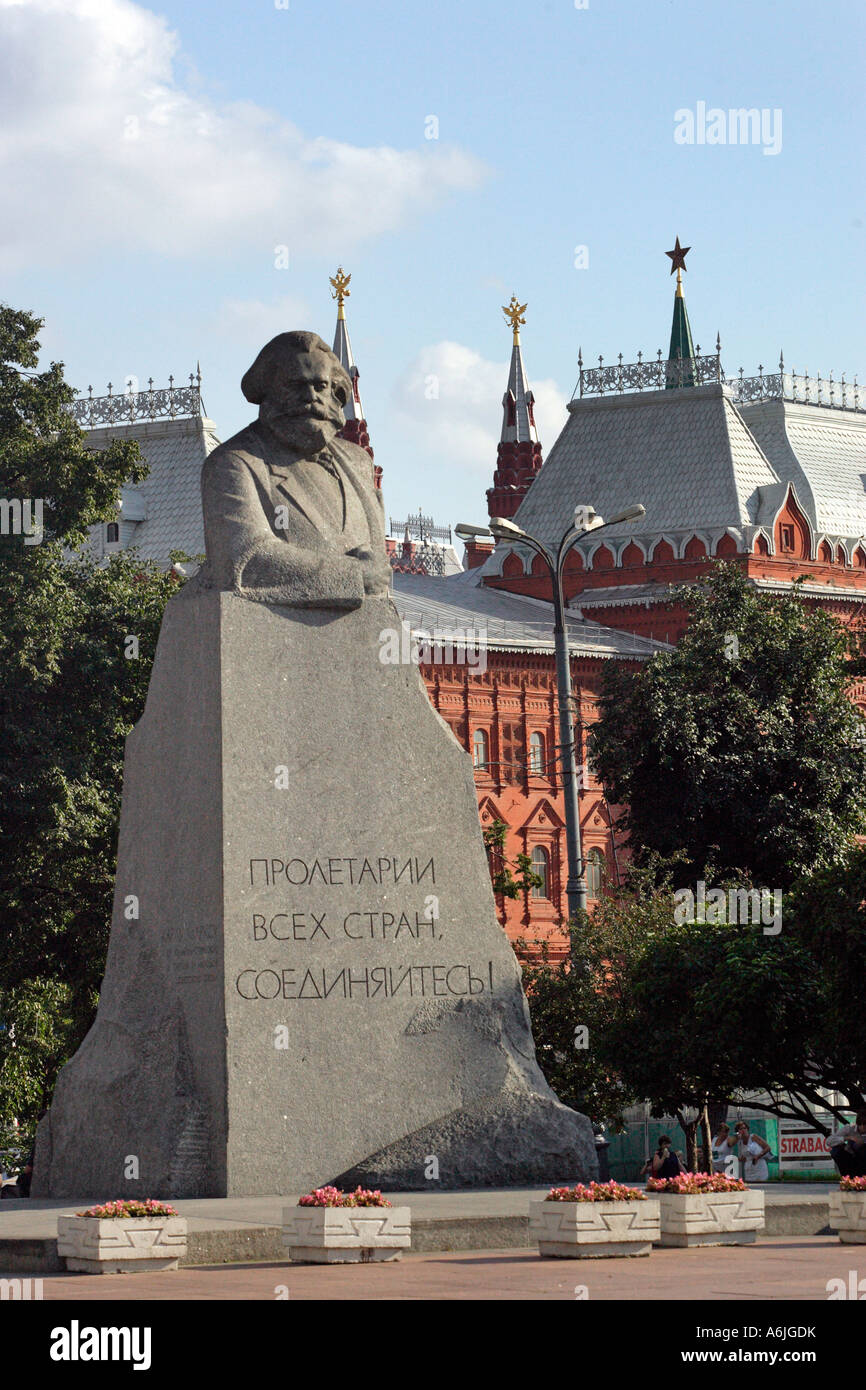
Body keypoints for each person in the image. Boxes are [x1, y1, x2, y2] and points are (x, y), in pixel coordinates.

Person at [199, 331, 391, 610]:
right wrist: (353, 576)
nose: (311, 396)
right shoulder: (234, 463)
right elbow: (245, 559)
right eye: (295, 385)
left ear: (336, 393)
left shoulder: (358, 463)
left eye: (320, 386)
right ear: (269, 390)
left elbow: (379, 566)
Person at [828, 1111, 866, 1177]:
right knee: (835, 1151)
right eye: (860, 1124)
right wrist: (849, 1138)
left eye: (865, 1124)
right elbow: (829, 1141)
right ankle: (847, 1177)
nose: (862, 1126)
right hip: (852, 1159)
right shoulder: (849, 1128)